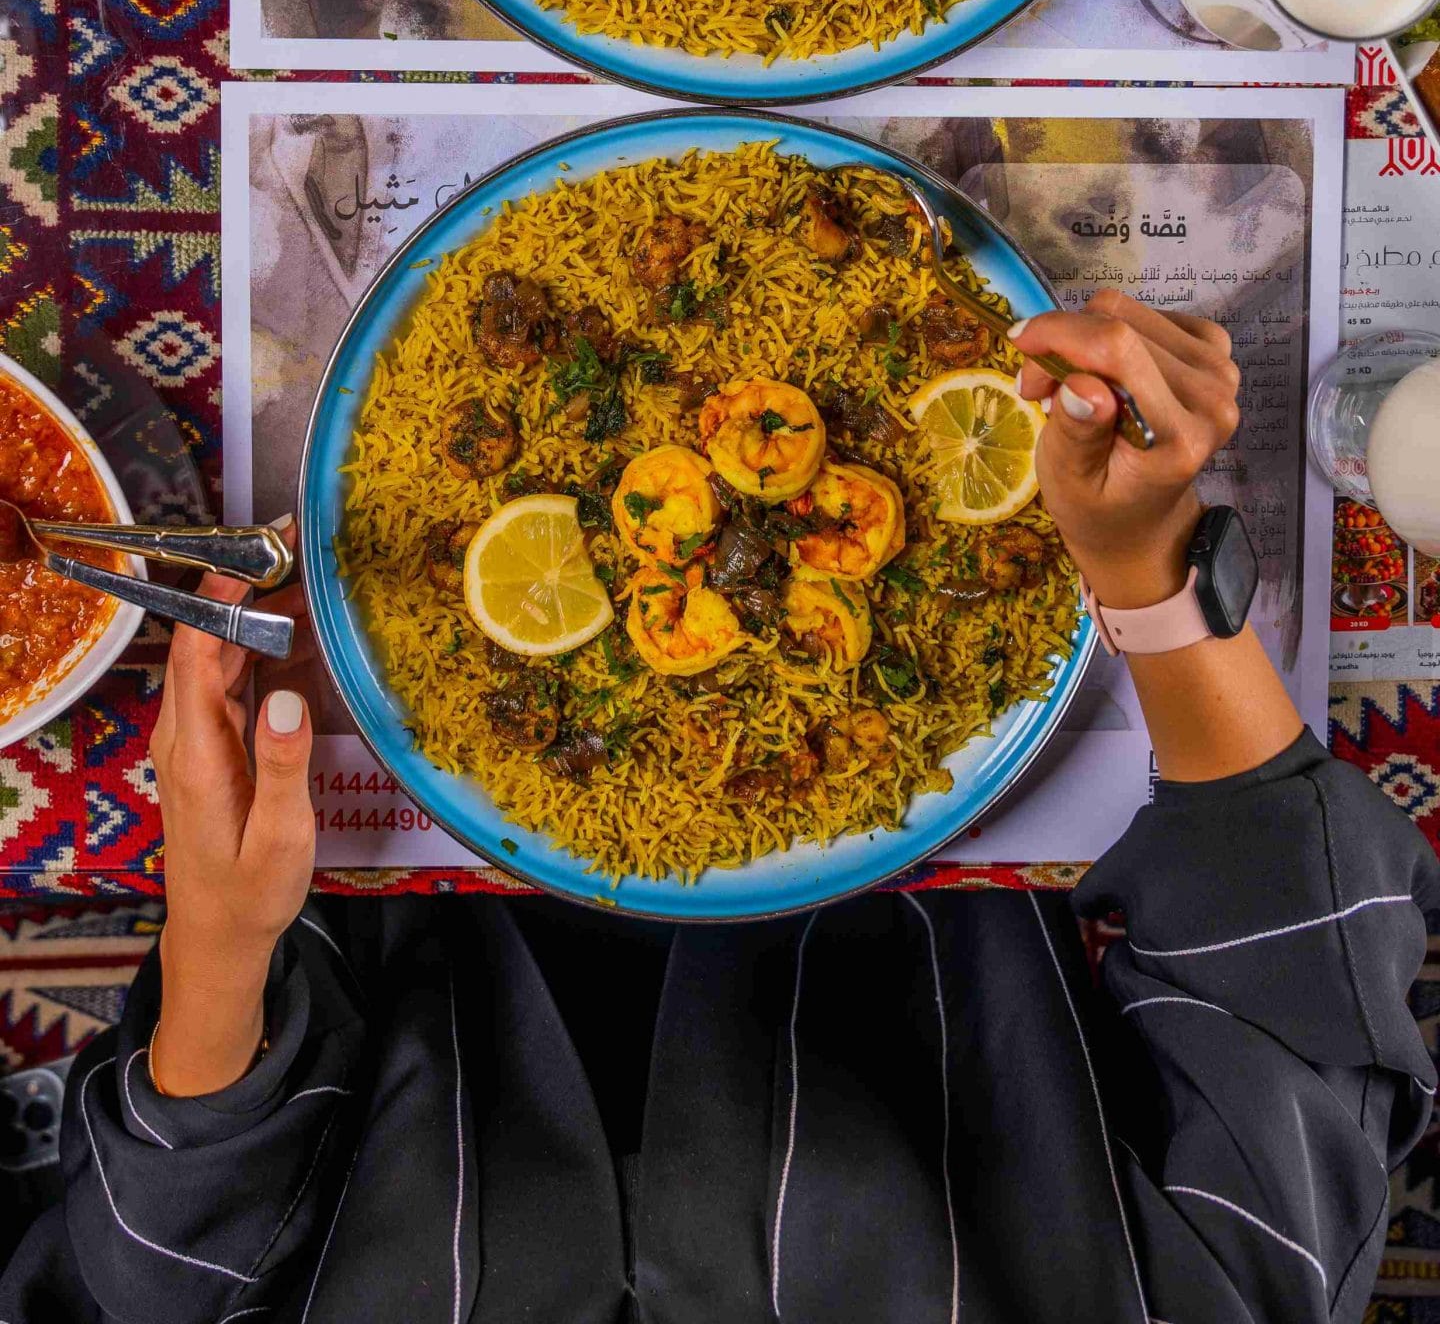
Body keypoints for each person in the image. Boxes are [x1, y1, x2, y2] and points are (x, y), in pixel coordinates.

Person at [3, 293, 1435, 1321]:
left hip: (375, 810)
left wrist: (218, 937)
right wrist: (1153, 576)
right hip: (953, 724)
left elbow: (140, 1270)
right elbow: (1297, 1003)